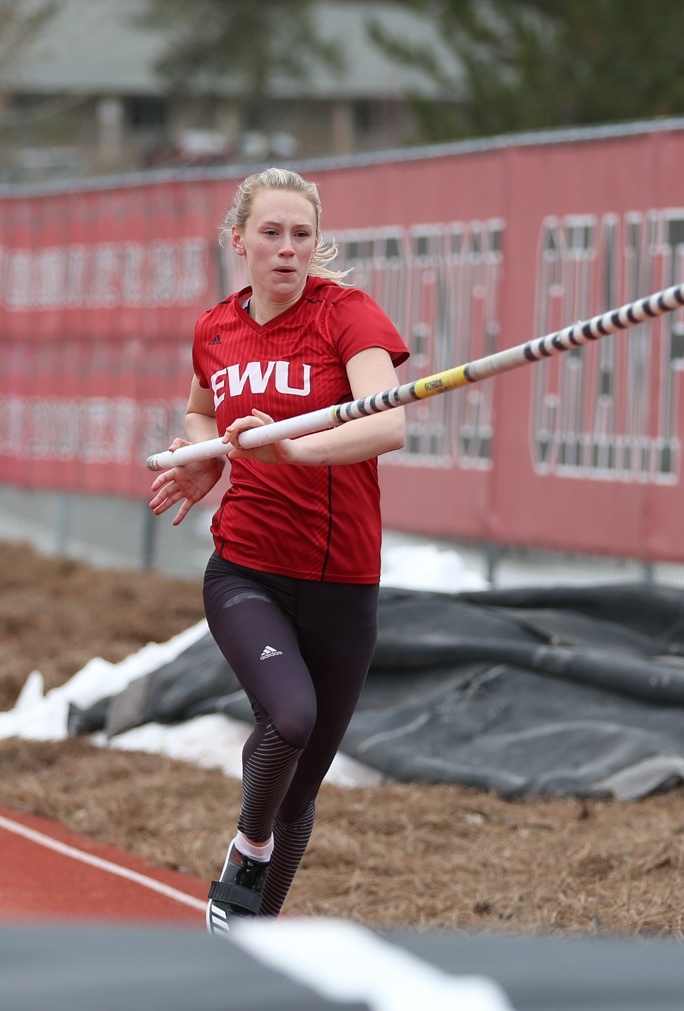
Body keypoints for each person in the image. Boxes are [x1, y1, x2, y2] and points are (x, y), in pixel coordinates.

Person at [147, 167, 410, 935]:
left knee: (302, 792)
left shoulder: (348, 317)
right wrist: (204, 454)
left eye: (302, 235)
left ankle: (252, 937)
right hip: (248, 570)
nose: (288, 249)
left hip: (343, 580)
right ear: (239, 241)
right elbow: (202, 411)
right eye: (271, 233)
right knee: (289, 717)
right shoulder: (217, 328)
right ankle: (247, 847)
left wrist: (297, 449)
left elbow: (387, 424)